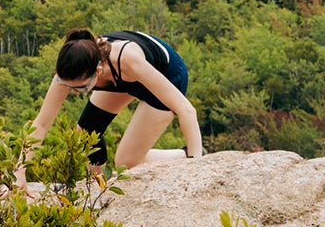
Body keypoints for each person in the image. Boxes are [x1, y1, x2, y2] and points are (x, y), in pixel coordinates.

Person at [28, 28, 204, 173]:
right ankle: (96, 182)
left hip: (166, 73)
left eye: (80, 88)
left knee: (126, 162)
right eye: (67, 85)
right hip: (124, 76)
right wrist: (19, 172)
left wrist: (196, 166)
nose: (73, 91)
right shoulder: (69, 70)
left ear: (97, 71)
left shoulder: (128, 61)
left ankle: (186, 154)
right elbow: (42, 124)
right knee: (86, 132)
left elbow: (187, 110)